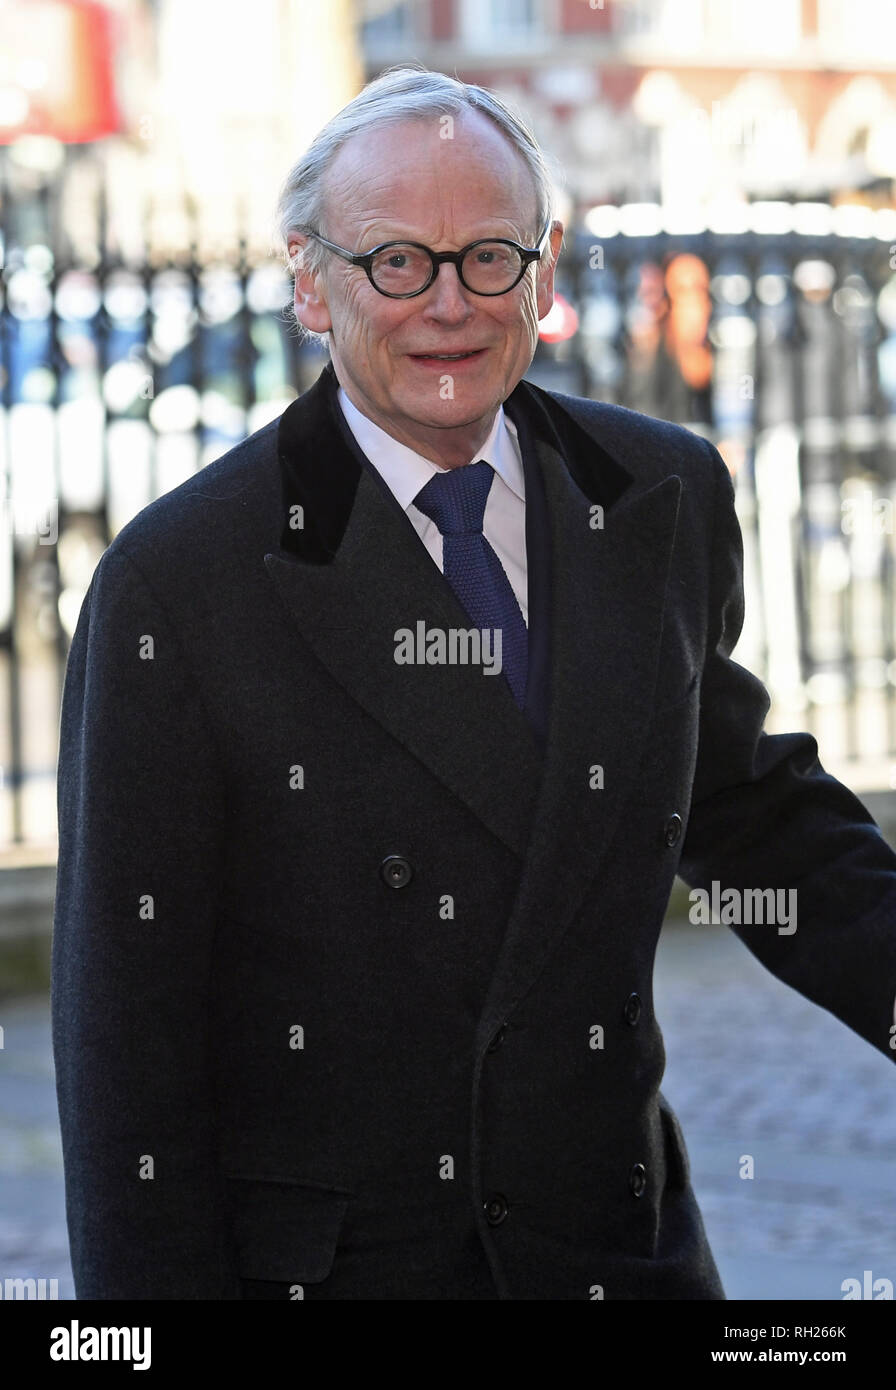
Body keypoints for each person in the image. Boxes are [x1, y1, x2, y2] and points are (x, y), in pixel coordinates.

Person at [51, 65, 896, 1301]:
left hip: (619, 1259)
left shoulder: (655, 495)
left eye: (487, 257)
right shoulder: (181, 581)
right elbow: (127, 1038)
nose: (447, 304)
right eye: (396, 261)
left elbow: (750, 819)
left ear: (542, 274)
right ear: (309, 281)